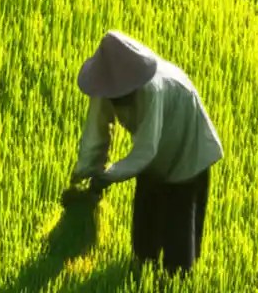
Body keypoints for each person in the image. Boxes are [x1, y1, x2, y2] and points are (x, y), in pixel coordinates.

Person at [66, 30, 223, 274]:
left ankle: (175, 279)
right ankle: (142, 268)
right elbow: (95, 133)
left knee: (178, 240)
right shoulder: (104, 85)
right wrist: (83, 173)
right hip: (153, 156)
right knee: (144, 230)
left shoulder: (154, 89)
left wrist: (107, 176)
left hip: (188, 146)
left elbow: (146, 150)